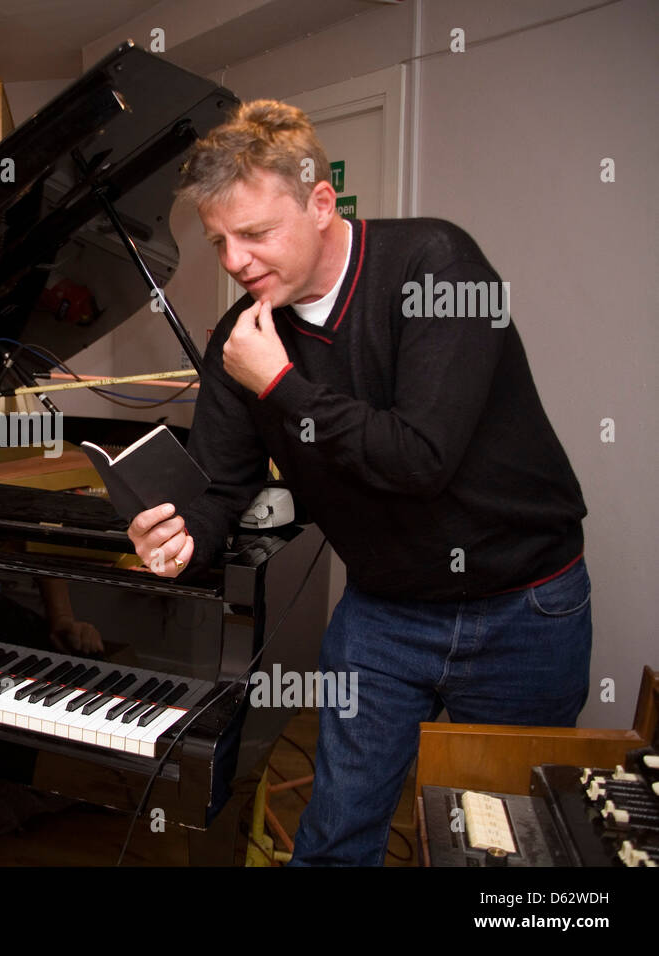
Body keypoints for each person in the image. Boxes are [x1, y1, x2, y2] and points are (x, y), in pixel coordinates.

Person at [125, 101, 590, 865]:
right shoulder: (240, 341)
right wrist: (179, 537)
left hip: (523, 605)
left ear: (320, 202)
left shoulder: (436, 265)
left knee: (502, 846)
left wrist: (278, 384)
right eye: (219, 243)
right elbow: (221, 487)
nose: (236, 262)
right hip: (383, 613)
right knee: (335, 837)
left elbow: (420, 459)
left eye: (255, 234)